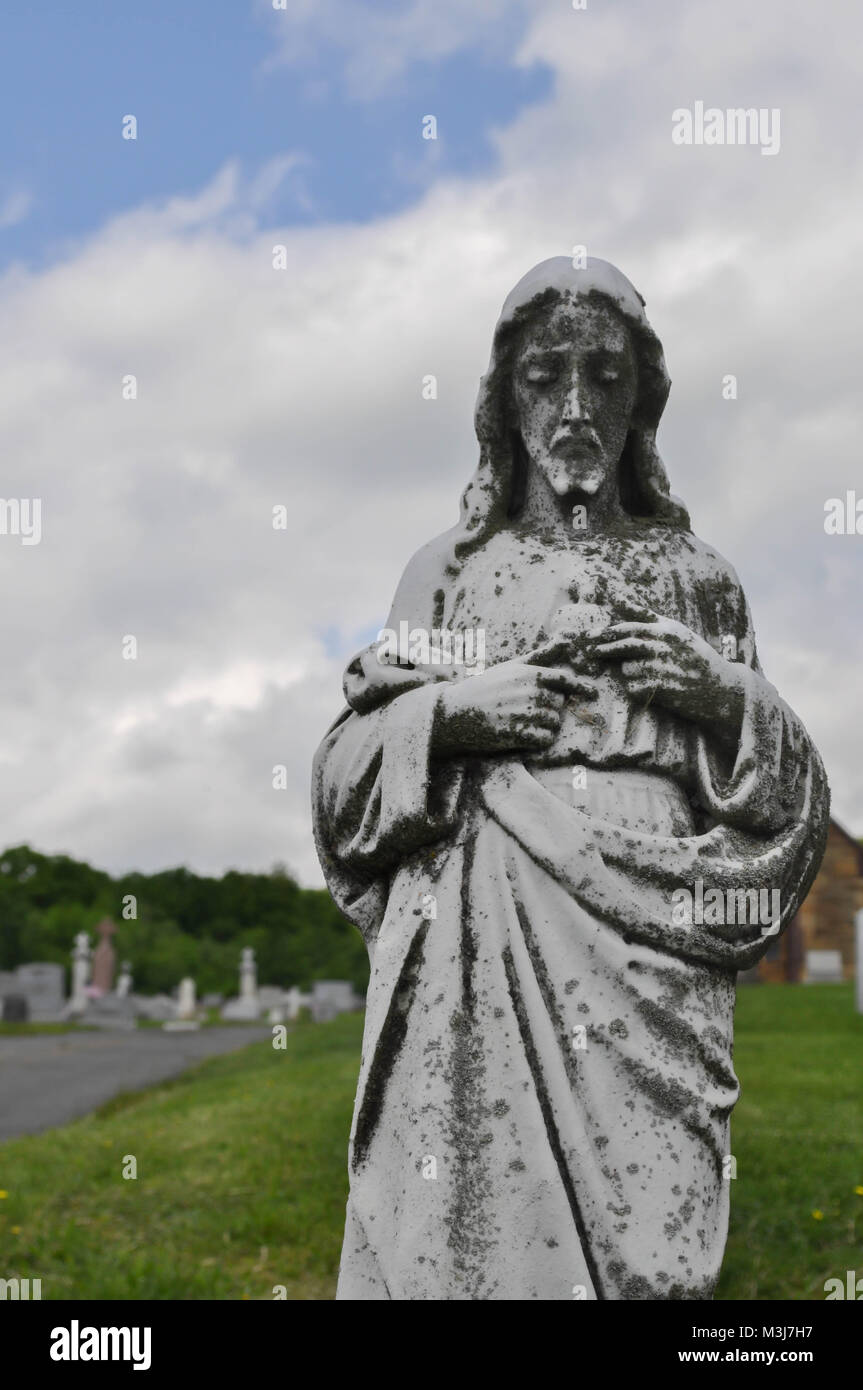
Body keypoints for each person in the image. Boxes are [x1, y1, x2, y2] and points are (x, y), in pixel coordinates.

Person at [312, 257, 829, 1300]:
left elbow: (791, 811)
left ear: (644, 400)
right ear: (505, 401)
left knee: (648, 1254)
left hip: (652, 951)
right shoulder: (449, 573)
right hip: (472, 924)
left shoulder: (696, 579)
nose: (576, 405)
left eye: (605, 374)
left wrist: (725, 698)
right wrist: (456, 715)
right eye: (546, 376)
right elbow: (342, 784)